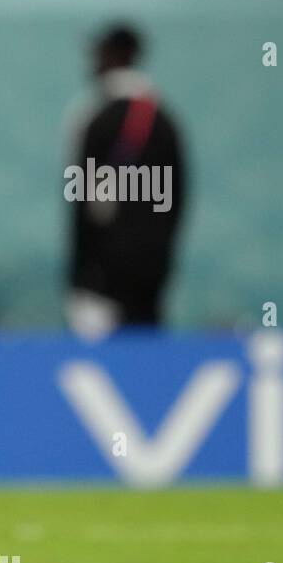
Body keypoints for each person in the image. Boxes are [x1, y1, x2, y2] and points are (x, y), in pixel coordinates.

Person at [65, 24, 187, 337]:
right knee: (146, 361)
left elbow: (82, 202)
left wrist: (78, 276)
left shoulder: (96, 120)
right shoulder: (166, 121)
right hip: (153, 268)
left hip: (102, 274)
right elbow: (178, 198)